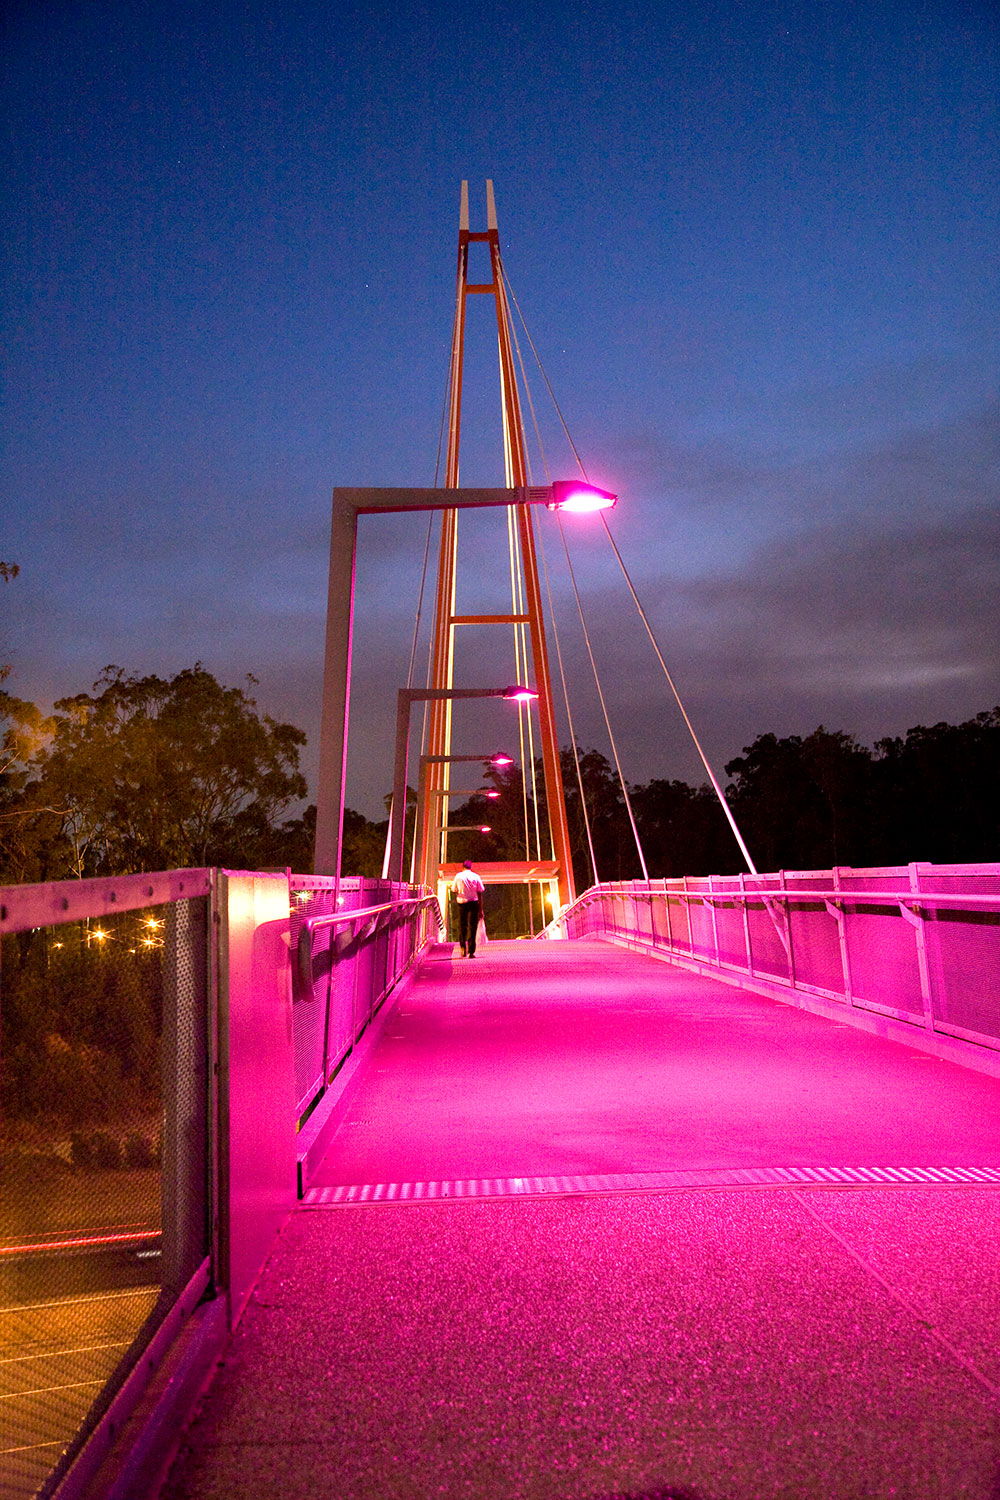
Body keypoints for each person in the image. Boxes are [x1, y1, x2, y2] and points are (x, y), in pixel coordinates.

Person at [452, 860, 486, 957]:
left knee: (463, 925)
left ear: (463, 867)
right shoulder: (476, 876)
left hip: (462, 903)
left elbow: (454, 889)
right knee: (473, 926)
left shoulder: (458, 876)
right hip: (473, 903)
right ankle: (471, 951)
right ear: (471, 867)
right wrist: (481, 909)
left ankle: (463, 946)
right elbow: (480, 892)